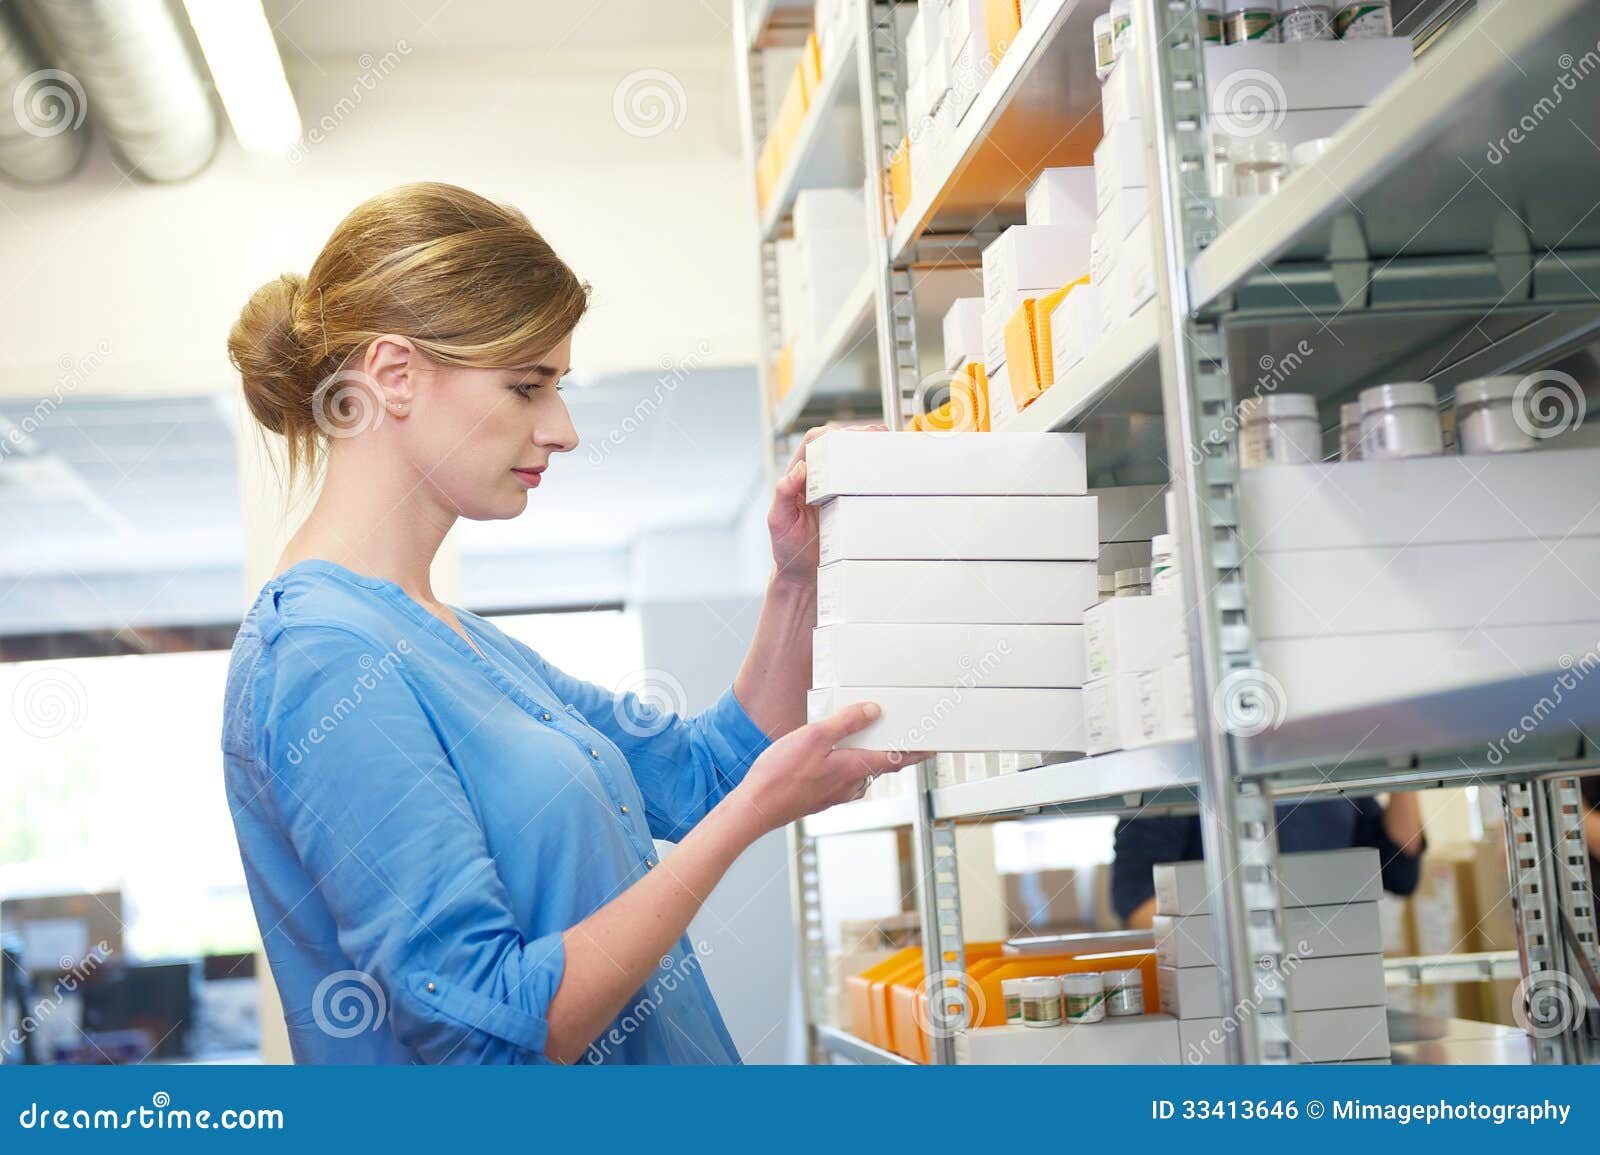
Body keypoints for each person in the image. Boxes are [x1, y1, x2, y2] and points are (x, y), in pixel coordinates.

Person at [220, 183, 915, 1065]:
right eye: (527, 386)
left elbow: (707, 774)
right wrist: (747, 820)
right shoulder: (320, 656)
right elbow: (485, 1036)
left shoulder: (458, 640)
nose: (563, 429)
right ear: (395, 376)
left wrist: (798, 579)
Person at [1112, 794, 1426, 928]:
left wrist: (1403, 763)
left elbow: (1400, 872)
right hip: (1223, 990)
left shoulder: (1324, 767)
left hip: (1327, 976)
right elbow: (1140, 906)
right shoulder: (1184, 773)